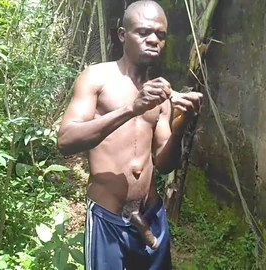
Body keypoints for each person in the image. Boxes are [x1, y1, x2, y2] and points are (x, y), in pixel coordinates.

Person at [57, 1, 203, 269]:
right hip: (107, 219)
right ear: (122, 35)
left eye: (160, 35)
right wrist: (131, 109)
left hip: (150, 215)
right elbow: (66, 140)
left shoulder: (161, 93)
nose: (153, 40)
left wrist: (180, 127)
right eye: (143, 32)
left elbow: (164, 163)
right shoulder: (97, 78)